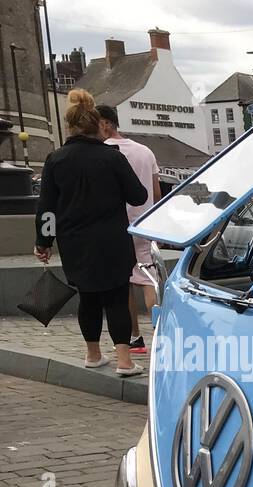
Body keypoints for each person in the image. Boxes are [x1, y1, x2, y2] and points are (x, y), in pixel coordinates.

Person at [34, 89, 147, 376]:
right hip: (112, 239)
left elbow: (47, 208)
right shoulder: (112, 158)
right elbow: (138, 196)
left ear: (70, 126)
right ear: (99, 125)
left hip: (75, 243)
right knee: (117, 297)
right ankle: (124, 360)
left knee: (89, 297)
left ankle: (93, 354)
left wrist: (43, 242)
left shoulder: (55, 159)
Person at [97, 104, 160, 355]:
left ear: (105, 124)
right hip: (145, 222)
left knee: (122, 283)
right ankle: (160, 334)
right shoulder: (145, 151)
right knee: (148, 279)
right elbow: (156, 193)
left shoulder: (101, 153)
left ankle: (135, 337)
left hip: (115, 225)